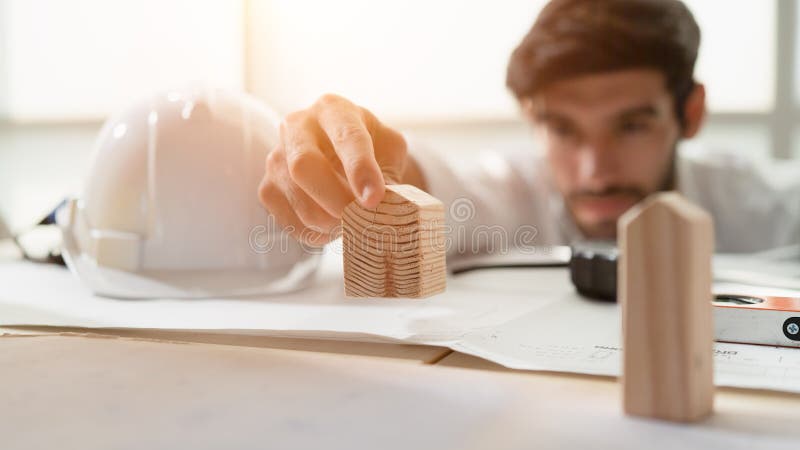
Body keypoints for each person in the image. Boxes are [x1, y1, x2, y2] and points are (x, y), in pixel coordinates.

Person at [258, 0, 800, 259]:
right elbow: (442, 190)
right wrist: (367, 170)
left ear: (691, 114)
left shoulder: (760, 211)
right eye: (563, 130)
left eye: (631, 126)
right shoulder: (512, 199)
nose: (595, 171)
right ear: (531, 122)